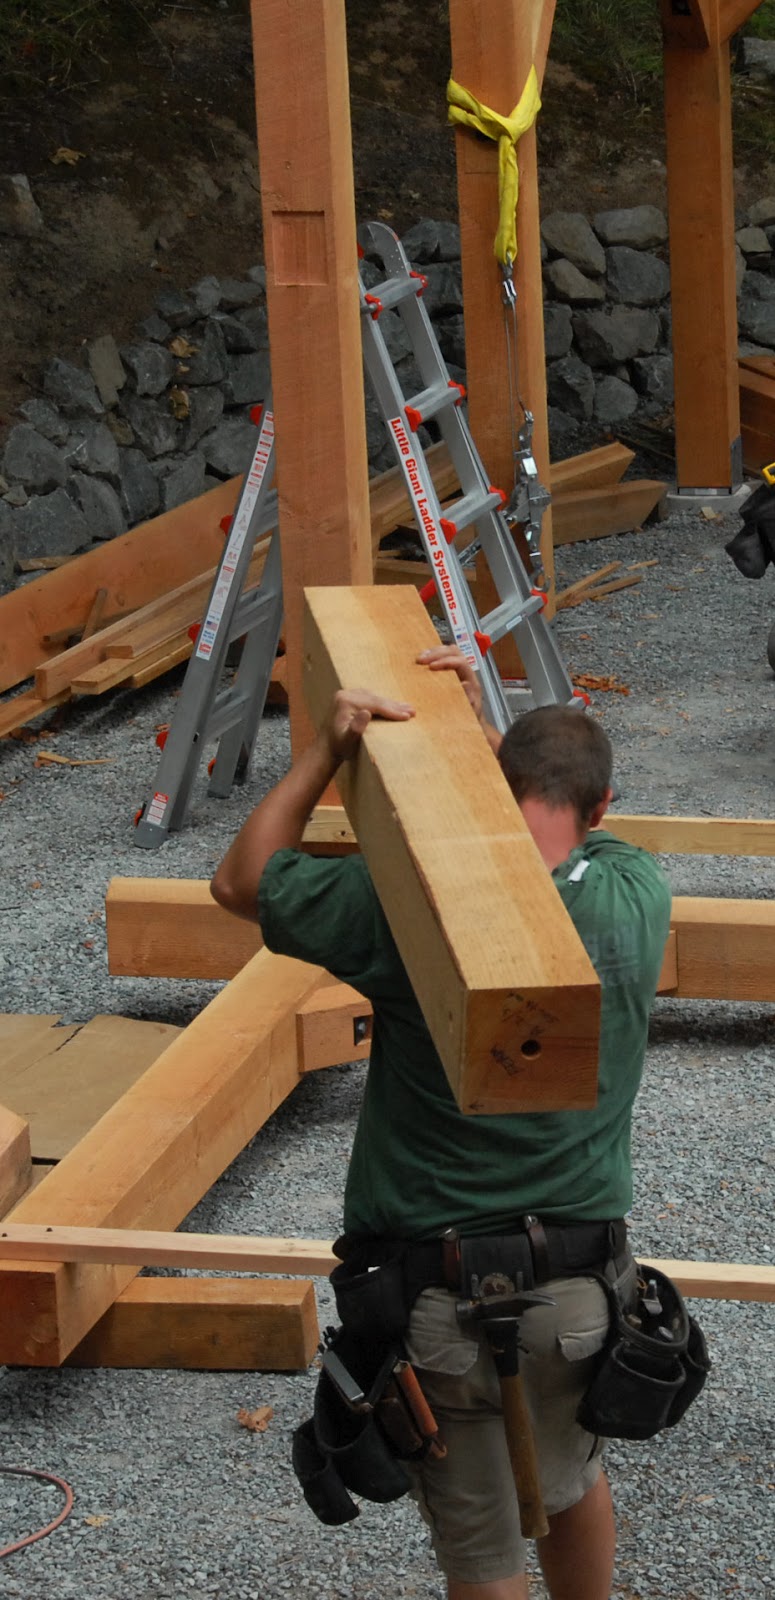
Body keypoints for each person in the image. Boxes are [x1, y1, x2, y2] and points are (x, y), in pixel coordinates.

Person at [210, 644, 672, 1600]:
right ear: (601, 811)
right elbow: (545, 824)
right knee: (572, 1476)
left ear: (491, 780)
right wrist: (484, 733)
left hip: (451, 1302)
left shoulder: (413, 912)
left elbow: (241, 882)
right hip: (587, 1292)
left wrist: (327, 755)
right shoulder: (635, 893)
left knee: (483, 1549)